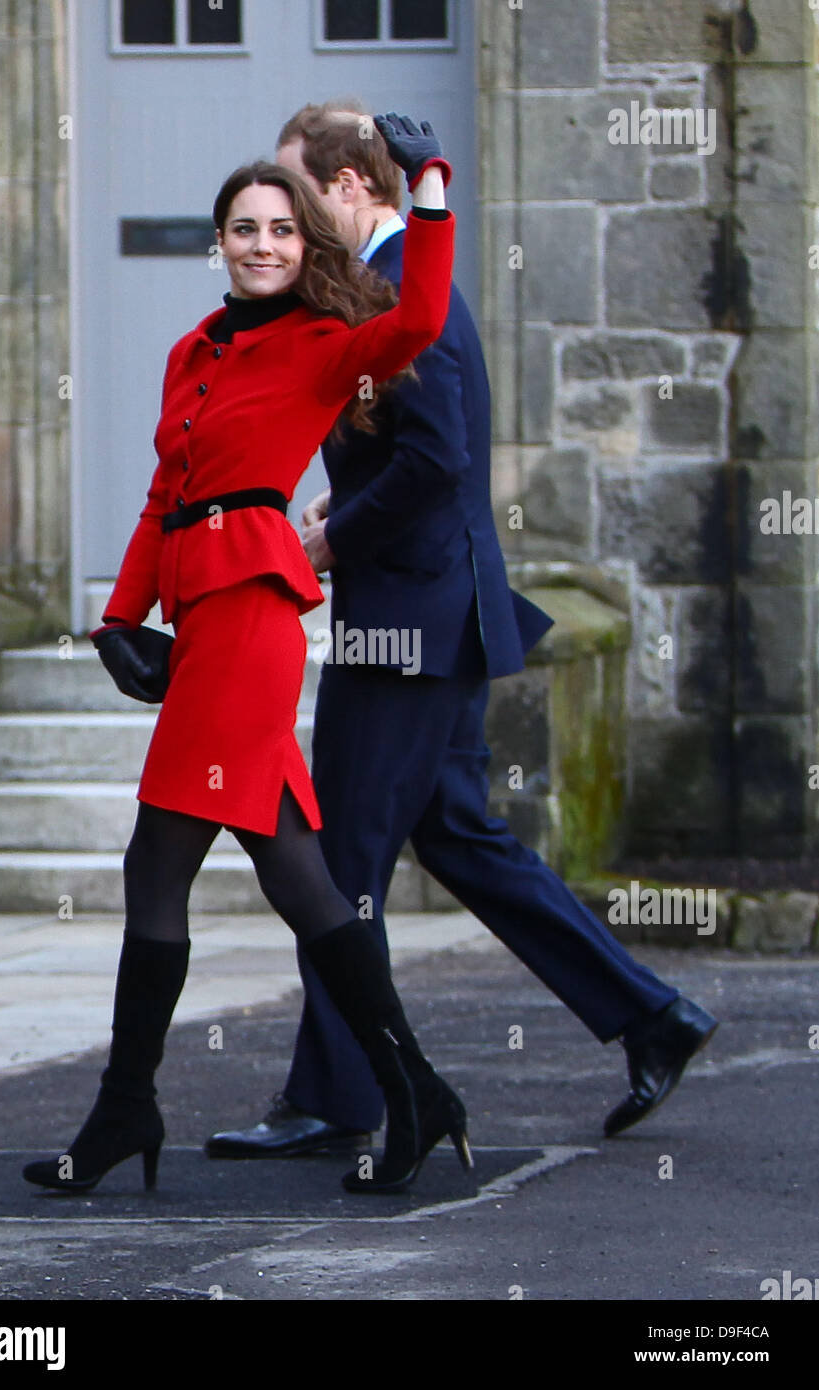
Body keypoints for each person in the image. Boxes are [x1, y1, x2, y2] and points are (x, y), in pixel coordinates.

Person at [204, 101, 718, 1162]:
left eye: (297, 192)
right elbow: (419, 449)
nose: (283, 216)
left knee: (339, 853)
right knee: (457, 836)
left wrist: (331, 540)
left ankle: (337, 1095)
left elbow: (437, 460)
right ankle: (651, 1013)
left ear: (350, 186)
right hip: (434, 610)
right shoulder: (381, 279)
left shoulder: (401, 284)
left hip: (410, 622)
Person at [22, 114, 474, 1197]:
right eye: (243, 228)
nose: (261, 244)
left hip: (251, 621)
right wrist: (116, 620)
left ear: (304, 241)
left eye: (280, 228)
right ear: (218, 241)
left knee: (155, 864)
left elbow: (417, 315)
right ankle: (414, 1089)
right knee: (299, 879)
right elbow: (163, 495)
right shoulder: (191, 351)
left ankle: (126, 1107)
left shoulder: (326, 343)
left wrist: (427, 190)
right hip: (199, 616)